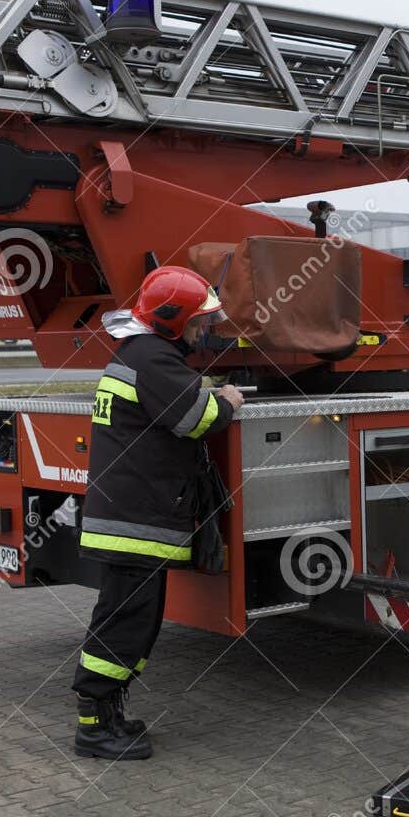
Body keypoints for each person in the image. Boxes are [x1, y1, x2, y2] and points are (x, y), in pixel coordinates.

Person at [73, 266, 244, 759]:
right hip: (136, 522)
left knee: (130, 622)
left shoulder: (143, 353)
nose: (202, 330)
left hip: (130, 518)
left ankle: (109, 718)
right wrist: (226, 400)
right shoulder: (153, 358)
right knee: (123, 625)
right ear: (173, 321)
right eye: (197, 321)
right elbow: (197, 418)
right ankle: (94, 727)